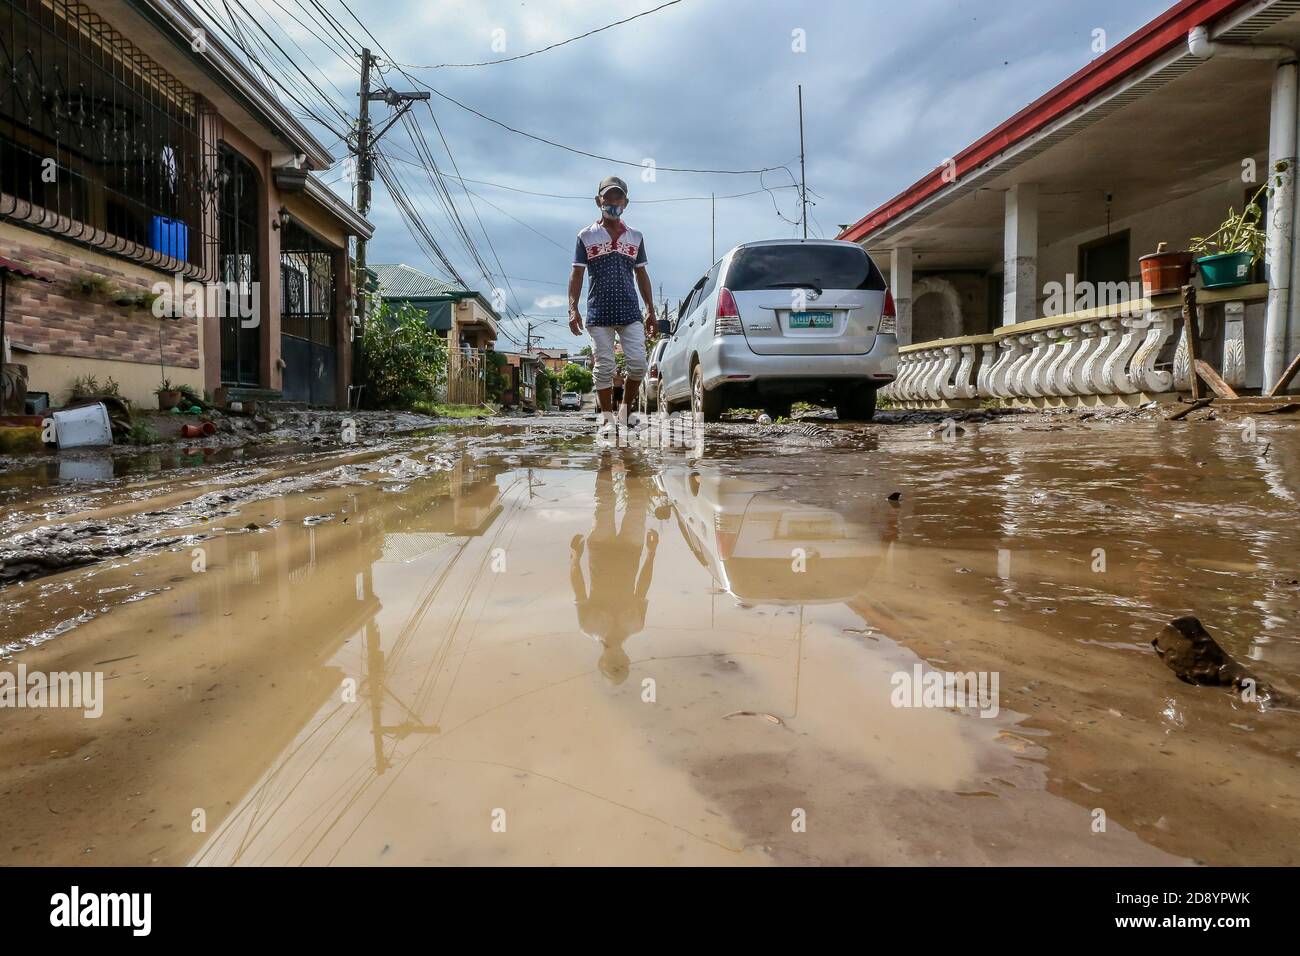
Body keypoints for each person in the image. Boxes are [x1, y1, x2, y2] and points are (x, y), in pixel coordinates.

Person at [568, 175, 657, 434]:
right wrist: (572, 308)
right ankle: (606, 418)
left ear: (626, 202)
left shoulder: (636, 237)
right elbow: (577, 274)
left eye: (618, 197)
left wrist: (650, 310)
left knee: (639, 364)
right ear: (599, 201)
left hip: (630, 311)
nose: (613, 202)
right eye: (608, 197)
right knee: (604, 366)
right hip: (599, 313)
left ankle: (626, 409)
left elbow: (641, 275)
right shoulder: (586, 236)